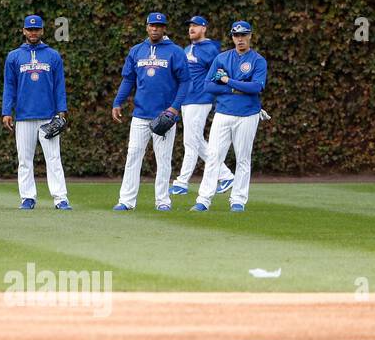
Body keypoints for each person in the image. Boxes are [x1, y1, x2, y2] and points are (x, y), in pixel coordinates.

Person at [111, 12, 190, 212]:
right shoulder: (137, 50)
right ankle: (127, 200)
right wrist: (118, 101)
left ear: (164, 28)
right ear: (147, 27)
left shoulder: (175, 52)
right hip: (140, 114)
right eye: (152, 25)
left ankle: (163, 201)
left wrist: (174, 108)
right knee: (133, 156)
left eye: (159, 25)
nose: (155, 28)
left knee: (163, 160)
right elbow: (128, 79)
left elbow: (185, 82)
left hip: (164, 115)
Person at [191, 21, 268, 214]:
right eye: (236, 35)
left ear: (250, 36)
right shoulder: (222, 58)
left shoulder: (258, 60)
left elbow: (256, 87)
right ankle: (203, 200)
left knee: (243, 158)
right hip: (224, 113)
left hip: (248, 114)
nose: (240, 39)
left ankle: (238, 200)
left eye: (243, 35)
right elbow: (208, 85)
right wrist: (234, 87)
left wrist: (227, 81)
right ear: (232, 37)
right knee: (214, 156)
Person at [1, 14, 70, 210]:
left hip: (48, 115)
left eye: (36, 29)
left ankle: (60, 198)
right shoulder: (14, 56)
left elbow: (59, 86)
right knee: (24, 159)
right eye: (30, 29)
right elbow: (9, 86)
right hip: (23, 116)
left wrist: (61, 111)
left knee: (54, 158)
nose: (33, 32)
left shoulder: (52, 55)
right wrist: (7, 111)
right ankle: (27, 197)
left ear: (42, 31)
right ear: (23, 31)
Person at [171, 15, 234, 197]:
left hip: (200, 99)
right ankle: (226, 175)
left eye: (196, 25)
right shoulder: (187, 48)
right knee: (195, 141)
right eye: (190, 25)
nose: (191, 28)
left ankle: (182, 182)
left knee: (191, 142)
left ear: (204, 28)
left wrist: (217, 94)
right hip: (187, 99)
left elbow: (221, 73)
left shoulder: (211, 49)